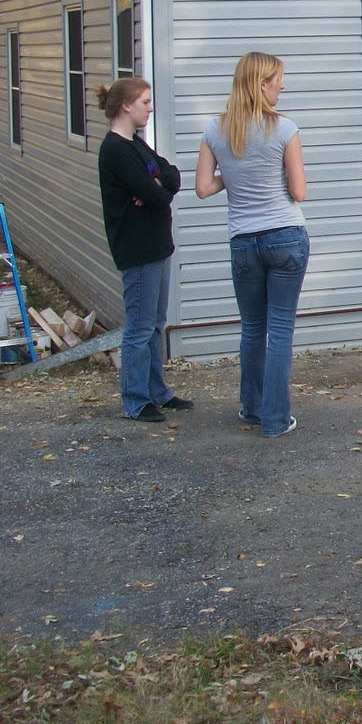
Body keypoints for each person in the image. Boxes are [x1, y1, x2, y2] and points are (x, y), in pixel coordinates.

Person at [196, 52, 309, 437]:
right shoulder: (284, 128)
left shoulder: (216, 129)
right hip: (285, 237)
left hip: (243, 242)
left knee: (252, 329)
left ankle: (252, 409)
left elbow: (203, 187)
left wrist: (234, 174)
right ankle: (276, 420)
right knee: (280, 330)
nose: (282, 86)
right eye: (278, 80)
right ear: (261, 84)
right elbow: (299, 191)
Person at [96, 76, 192, 421]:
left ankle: (157, 391)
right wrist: (155, 188)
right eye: (145, 103)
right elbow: (158, 195)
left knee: (155, 324)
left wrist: (158, 183)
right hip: (137, 249)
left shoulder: (137, 144)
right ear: (126, 106)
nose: (150, 109)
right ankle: (136, 400)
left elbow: (172, 176)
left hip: (158, 245)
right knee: (139, 326)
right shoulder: (115, 150)